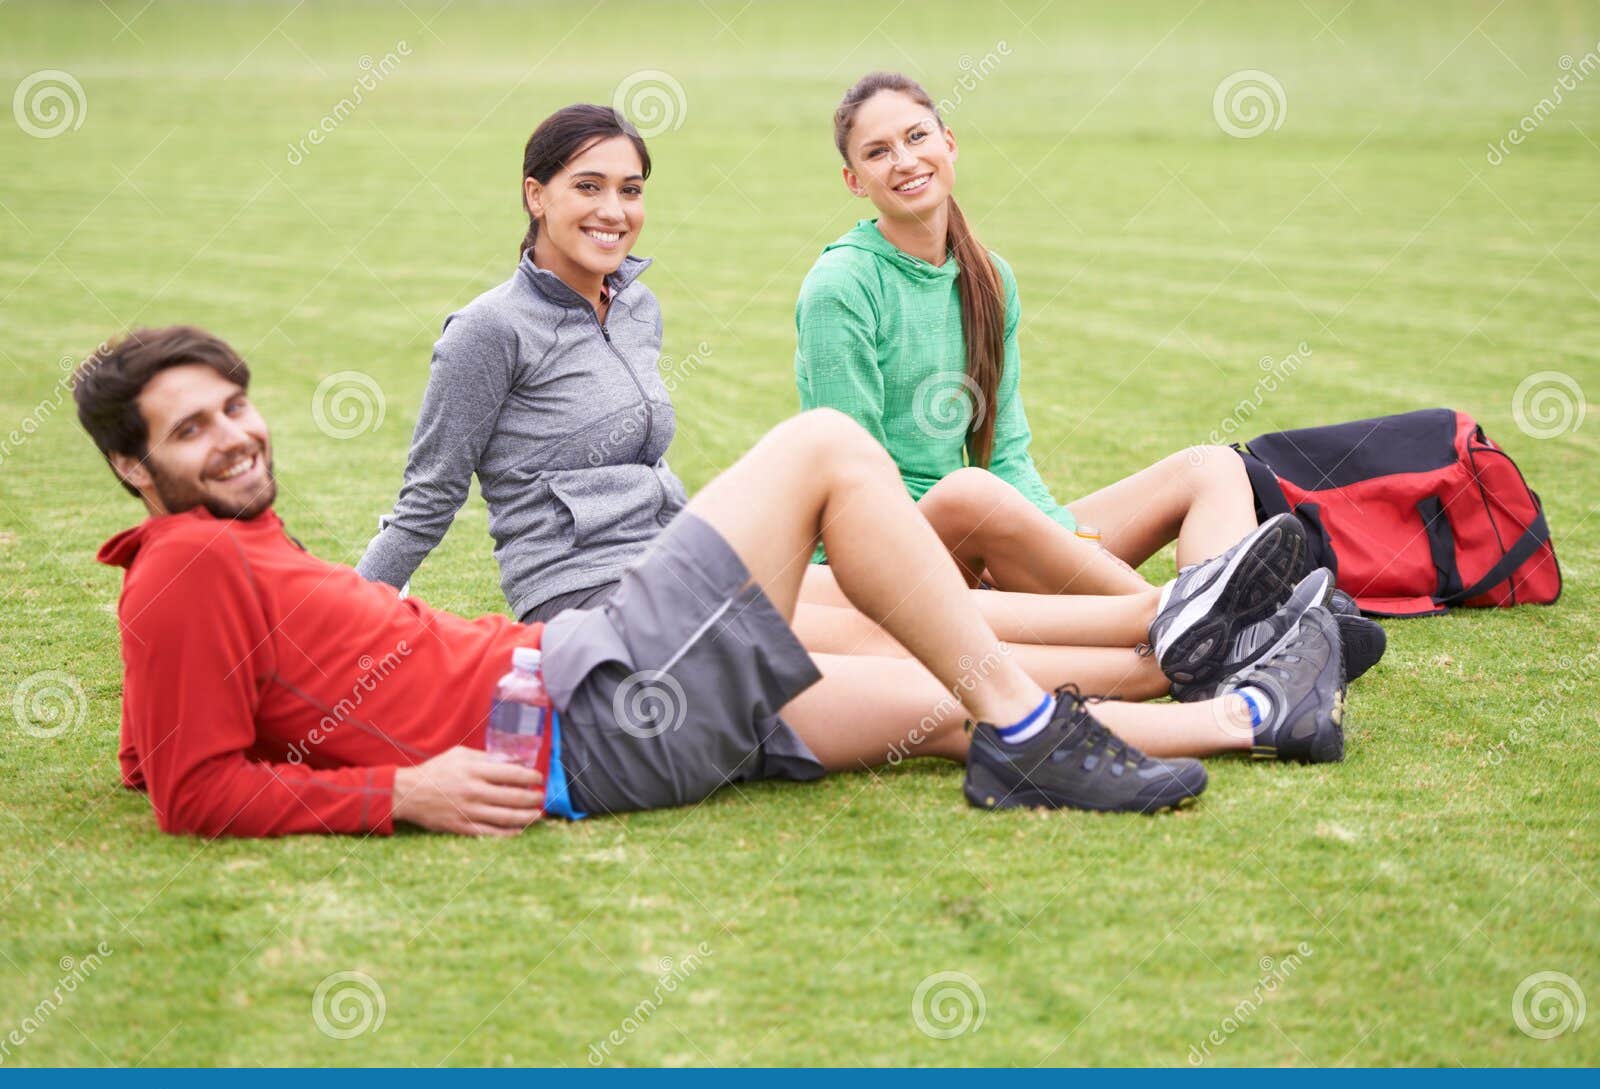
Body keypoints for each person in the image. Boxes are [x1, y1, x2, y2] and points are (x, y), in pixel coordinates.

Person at [75, 327, 1348, 837]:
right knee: (822, 453)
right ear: (136, 468)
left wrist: (316, 742)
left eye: (232, 405)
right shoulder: (184, 567)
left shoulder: (200, 558)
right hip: (591, 705)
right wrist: (393, 791)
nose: (235, 434)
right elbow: (191, 794)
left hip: (591, 711)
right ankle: (1032, 736)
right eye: (191, 431)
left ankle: (1242, 700)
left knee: (924, 693)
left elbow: (157, 753)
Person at [794, 70, 1386, 675]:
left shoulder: (988, 277)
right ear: (854, 181)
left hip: (985, 538)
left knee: (1212, 466)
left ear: (949, 142)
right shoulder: (842, 287)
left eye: (917, 136)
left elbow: (1006, 456)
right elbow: (857, 495)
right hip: (895, 562)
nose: (904, 160)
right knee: (968, 494)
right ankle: (1219, 622)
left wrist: (1053, 540)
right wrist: (1005, 543)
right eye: (878, 152)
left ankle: (1216, 625)